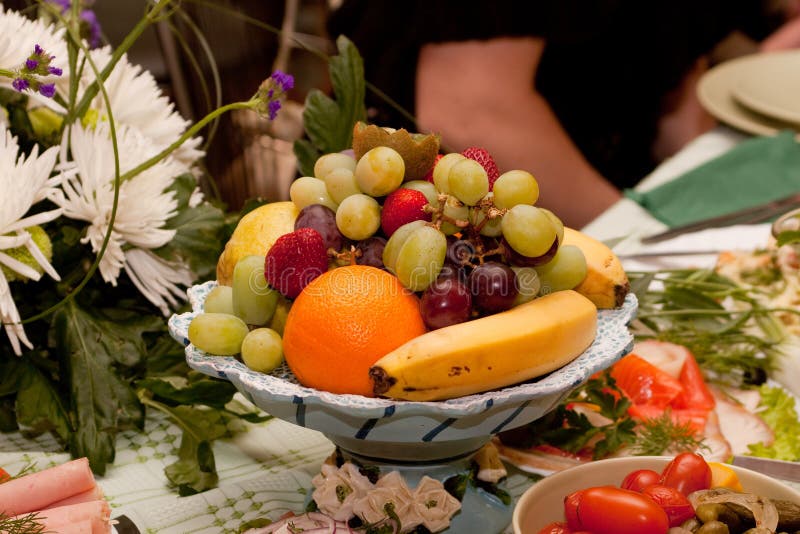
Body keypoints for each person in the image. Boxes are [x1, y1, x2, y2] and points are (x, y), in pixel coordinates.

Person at [328, 1, 800, 227]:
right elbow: (472, 107)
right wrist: (639, 234)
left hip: (603, 166)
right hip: (429, 214)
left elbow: (672, 55)